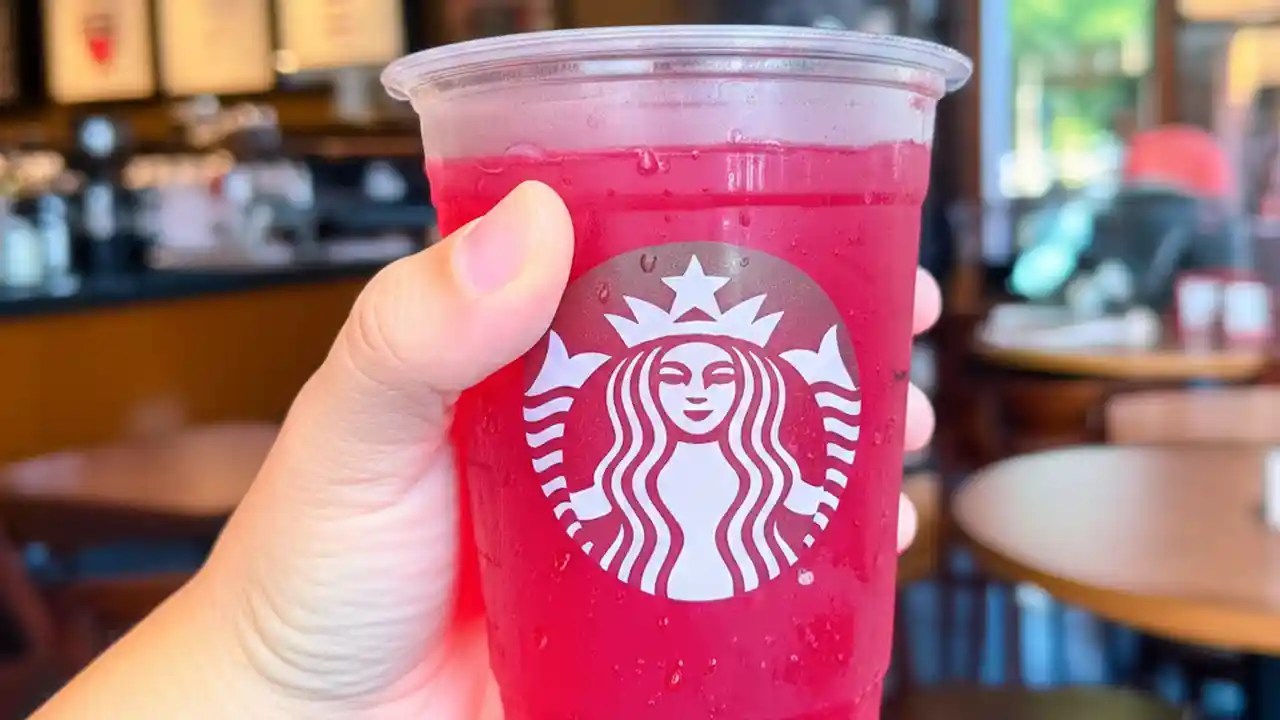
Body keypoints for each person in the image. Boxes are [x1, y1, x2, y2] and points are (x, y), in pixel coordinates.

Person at [33, 182, 940, 719]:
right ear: (635, 391)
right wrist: (267, 673)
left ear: (758, 387)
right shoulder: (616, 493)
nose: (697, 390)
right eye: (671, 375)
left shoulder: (765, 489)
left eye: (722, 375)